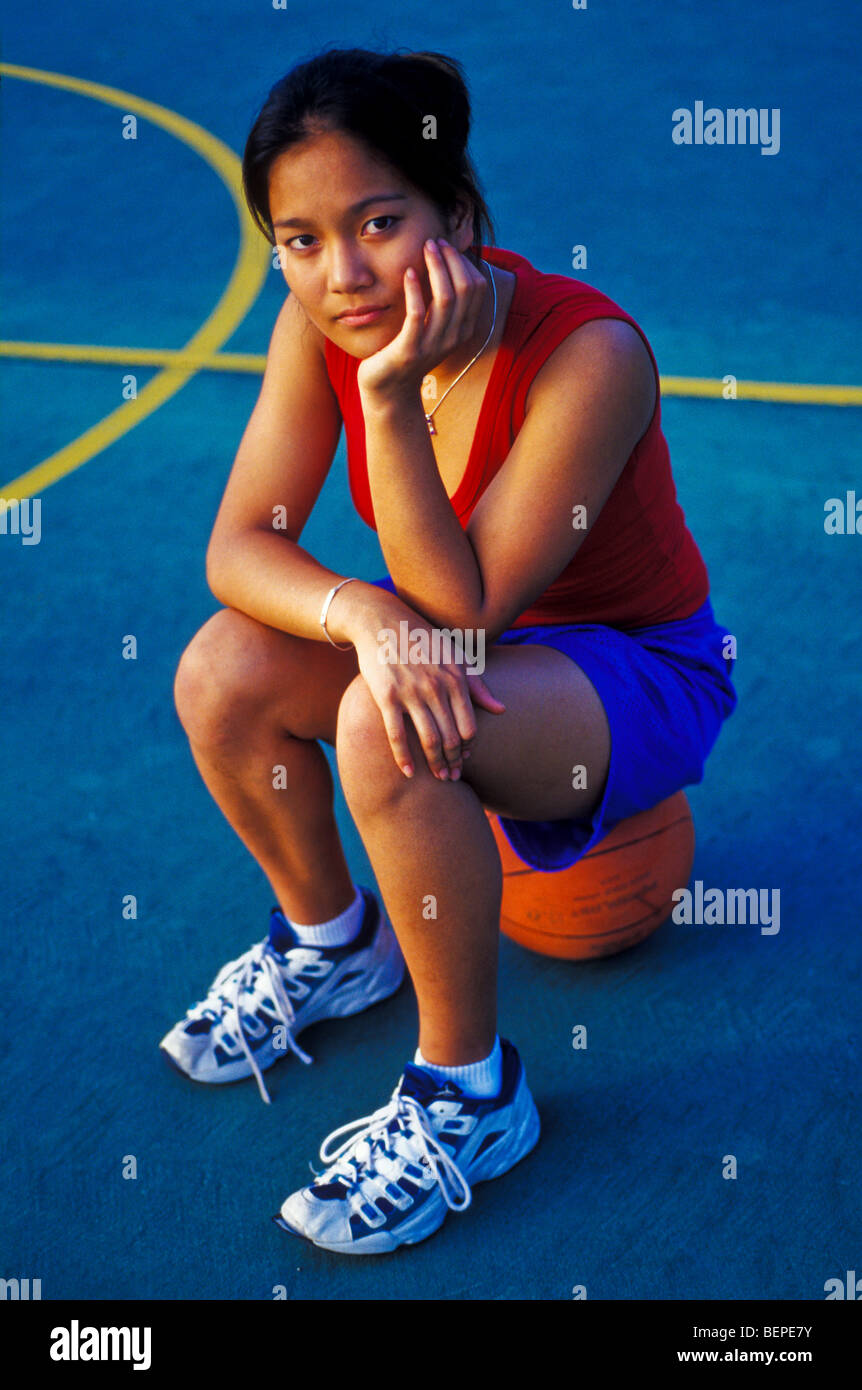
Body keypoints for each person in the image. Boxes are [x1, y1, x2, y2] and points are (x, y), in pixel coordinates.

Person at [160, 46, 737, 1255]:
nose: (341, 271)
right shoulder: (315, 317)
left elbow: (464, 616)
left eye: (377, 221)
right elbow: (240, 546)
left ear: (457, 212)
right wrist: (359, 614)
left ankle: (471, 1092)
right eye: (300, 238)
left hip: (625, 668)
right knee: (224, 664)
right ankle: (333, 943)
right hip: (455, 642)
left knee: (389, 712)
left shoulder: (589, 355)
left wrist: (385, 403)